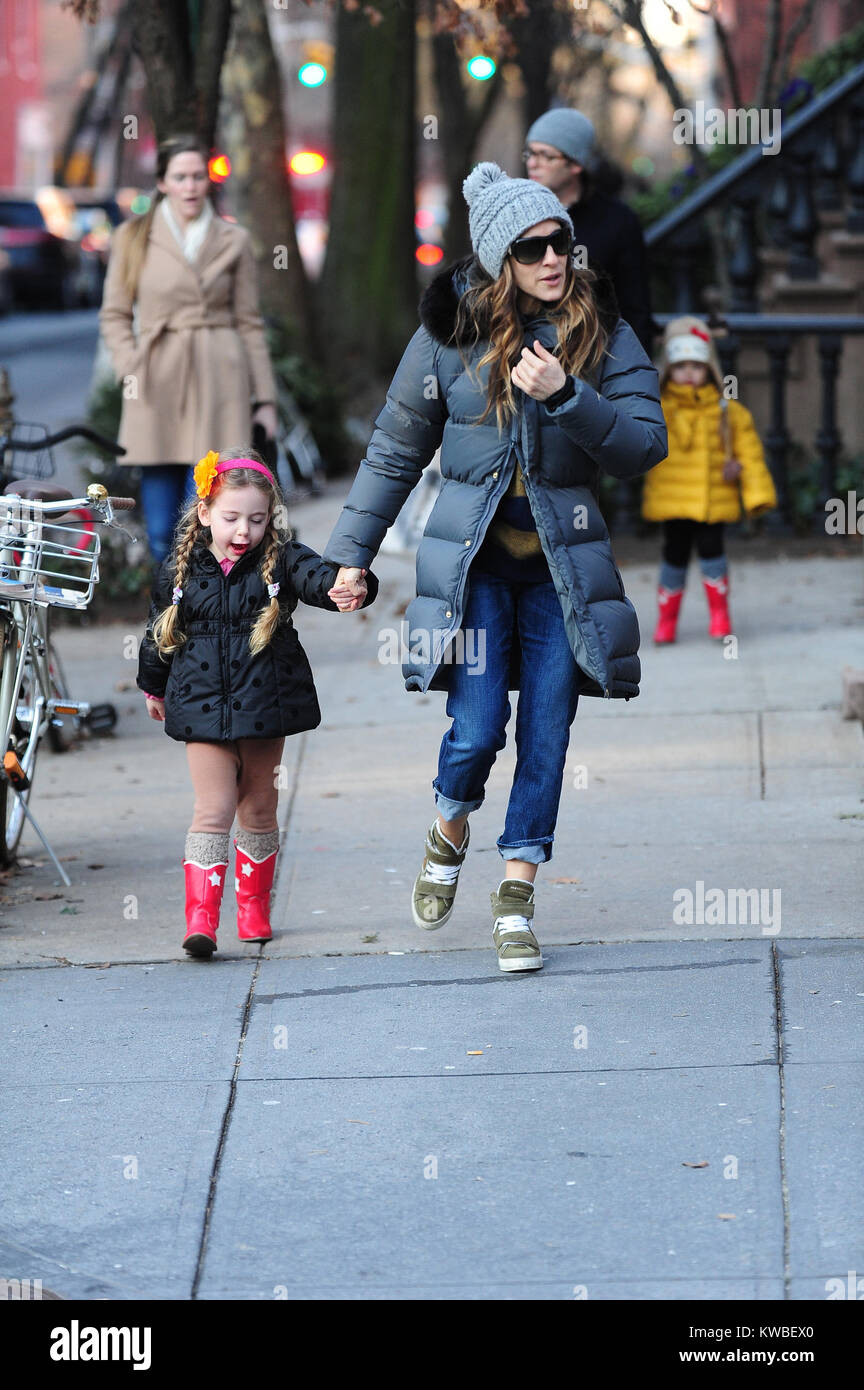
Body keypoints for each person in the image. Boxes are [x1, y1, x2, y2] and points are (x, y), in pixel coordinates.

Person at [323, 162, 667, 974]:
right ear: (496, 260)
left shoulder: (602, 333)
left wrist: (566, 396)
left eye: (562, 243)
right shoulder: (449, 339)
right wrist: (349, 556)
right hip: (474, 574)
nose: (554, 259)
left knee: (546, 736)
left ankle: (515, 899)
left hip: (560, 575)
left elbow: (644, 447)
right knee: (477, 731)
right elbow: (396, 448)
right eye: (532, 248)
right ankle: (449, 825)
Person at [136, 447, 378, 957]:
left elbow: (319, 576)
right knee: (214, 809)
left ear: (272, 518)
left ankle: (253, 907)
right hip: (200, 706)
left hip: (265, 705)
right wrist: (154, 686)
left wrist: (347, 583)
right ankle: (200, 921)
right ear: (205, 512)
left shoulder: (282, 557)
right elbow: (159, 633)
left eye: (256, 518)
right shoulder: (180, 570)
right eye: (230, 518)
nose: (242, 530)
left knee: (259, 806)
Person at [100, 133, 279, 567]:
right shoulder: (132, 237)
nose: (191, 186)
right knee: (162, 529)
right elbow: (115, 315)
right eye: (180, 177)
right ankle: (167, 625)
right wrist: (130, 367)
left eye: (199, 176)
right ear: (162, 181)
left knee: (212, 524)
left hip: (221, 382)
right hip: (156, 380)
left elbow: (249, 323)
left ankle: (208, 624)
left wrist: (265, 400)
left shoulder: (232, 239)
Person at [642, 316, 777, 643]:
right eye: (681, 366)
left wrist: (752, 487)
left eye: (697, 366)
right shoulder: (658, 408)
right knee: (673, 554)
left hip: (713, 498)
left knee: (713, 553)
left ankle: (720, 615)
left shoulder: (726, 411)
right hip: (673, 498)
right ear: (669, 368)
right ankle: (667, 620)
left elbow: (750, 453)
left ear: (710, 369)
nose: (689, 373)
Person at [523, 108, 655, 354]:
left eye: (546, 156)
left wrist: (635, 380)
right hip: (528, 359)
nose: (532, 163)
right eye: (530, 153)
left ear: (575, 164)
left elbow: (635, 307)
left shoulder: (618, 221)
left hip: (598, 362)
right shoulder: (518, 217)